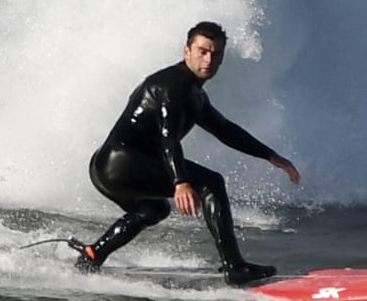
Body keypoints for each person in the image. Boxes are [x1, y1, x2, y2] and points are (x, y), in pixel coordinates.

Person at [67, 22, 301, 286]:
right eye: (202, 51)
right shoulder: (173, 87)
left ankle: (93, 255)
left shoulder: (193, 92)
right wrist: (181, 182)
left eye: (215, 54)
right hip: (124, 163)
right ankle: (235, 267)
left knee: (152, 209)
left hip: (105, 166)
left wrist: (271, 156)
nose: (209, 59)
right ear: (186, 51)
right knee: (211, 182)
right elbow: (168, 138)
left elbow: (224, 129)